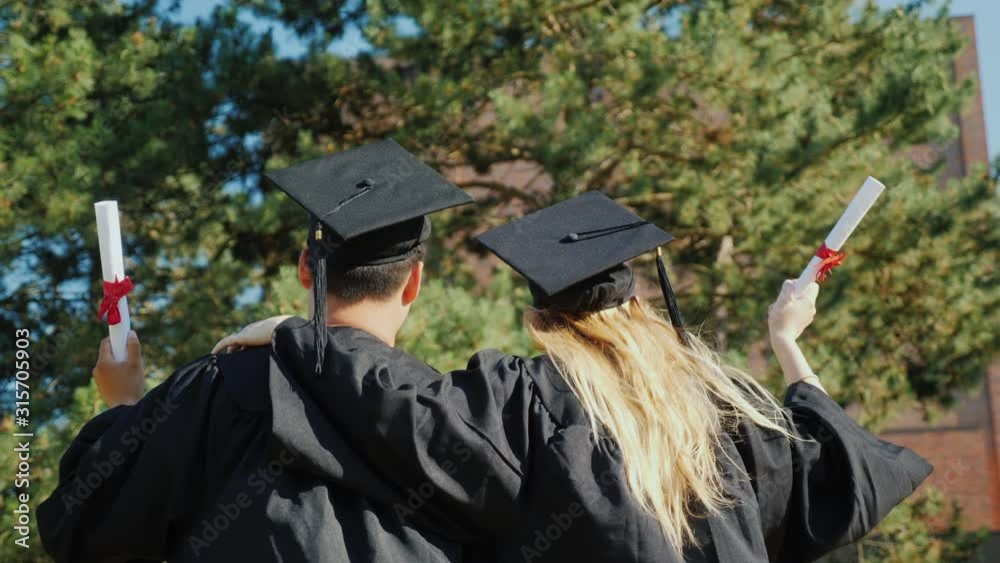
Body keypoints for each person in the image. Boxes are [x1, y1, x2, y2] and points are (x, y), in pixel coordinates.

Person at [227, 192, 932, 562]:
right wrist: (786, 343)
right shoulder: (720, 410)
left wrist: (295, 331)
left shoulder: (523, 401)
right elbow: (849, 469)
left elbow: (391, 401)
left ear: (544, 316)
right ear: (640, 297)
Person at [36, 139, 483, 562]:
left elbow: (82, 526)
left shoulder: (219, 390)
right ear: (415, 281)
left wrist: (126, 410)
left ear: (306, 267)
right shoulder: (461, 423)